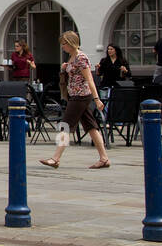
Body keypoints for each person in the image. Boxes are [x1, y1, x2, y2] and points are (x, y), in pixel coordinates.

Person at [40, 31, 110, 170]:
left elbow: (89, 79)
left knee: (65, 125)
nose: (62, 47)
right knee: (91, 127)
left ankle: (56, 158)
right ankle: (104, 158)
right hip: (75, 95)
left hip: (81, 96)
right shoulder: (72, 57)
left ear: (71, 43)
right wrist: (64, 69)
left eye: (64, 44)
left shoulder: (81, 58)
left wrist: (97, 99)